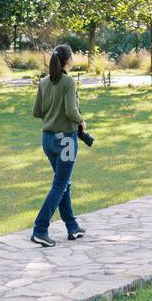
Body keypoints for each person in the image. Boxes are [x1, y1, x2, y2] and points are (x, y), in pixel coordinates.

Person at [31, 43, 88, 247]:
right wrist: (81, 121)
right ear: (68, 60)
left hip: (48, 140)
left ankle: (72, 227)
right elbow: (71, 111)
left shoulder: (44, 82)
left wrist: (52, 109)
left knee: (64, 183)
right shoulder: (68, 82)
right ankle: (40, 229)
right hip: (65, 140)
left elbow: (37, 112)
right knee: (60, 185)